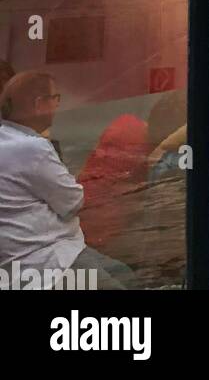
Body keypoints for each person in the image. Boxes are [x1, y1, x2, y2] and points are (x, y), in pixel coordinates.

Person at [0, 72, 133, 289]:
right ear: (39, 104)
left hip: (19, 263)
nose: (57, 106)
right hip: (50, 262)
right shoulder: (33, 148)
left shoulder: (7, 139)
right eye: (56, 98)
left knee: (125, 274)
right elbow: (73, 202)